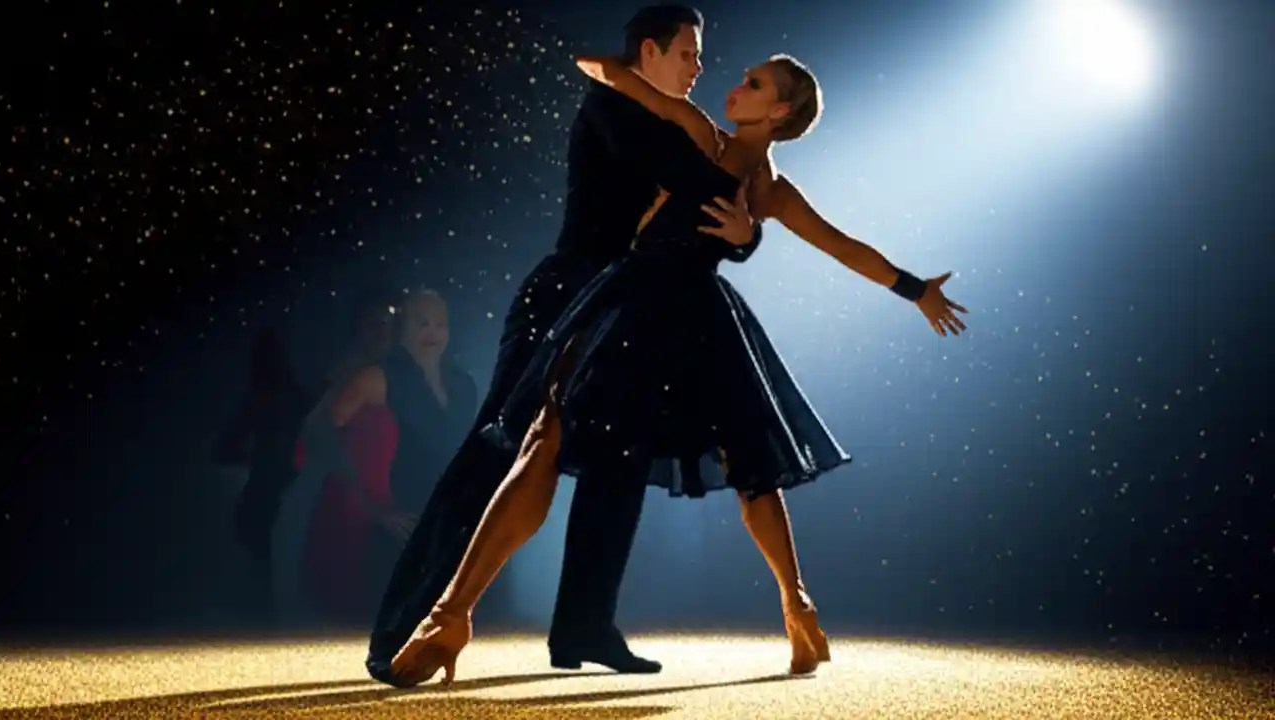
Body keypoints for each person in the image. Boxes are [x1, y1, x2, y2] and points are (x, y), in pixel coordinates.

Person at [388, 47, 969, 686]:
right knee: (544, 441)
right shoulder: (700, 133)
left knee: (750, 467)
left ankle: (797, 604)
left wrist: (916, 290)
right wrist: (598, 60)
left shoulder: (770, 191)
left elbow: (842, 246)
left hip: (692, 320)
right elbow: (627, 84)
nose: (735, 86)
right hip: (628, 300)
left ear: (779, 112)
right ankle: (449, 616)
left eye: (754, 84)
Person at [364, 5, 762, 685]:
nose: (699, 67)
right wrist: (727, 153)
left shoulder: (662, 115)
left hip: (630, 307)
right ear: (649, 51)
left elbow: (711, 221)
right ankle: (403, 628)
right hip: (564, 296)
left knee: (620, 460)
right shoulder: (613, 104)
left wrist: (746, 234)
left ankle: (586, 625)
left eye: (700, 56)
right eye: (688, 53)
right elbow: (697, 186)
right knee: (498, 451)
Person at [288, 289, 479, 623]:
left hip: (452, 521)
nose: (432, 332)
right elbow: (319, 431)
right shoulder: (378, 377)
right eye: (422, 323)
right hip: (400, 520)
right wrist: (369, 504)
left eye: (440, 324)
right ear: (402, 327)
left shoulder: (463, 384)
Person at [214, 328, 312, 624]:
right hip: (281, 484)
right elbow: (226, 448)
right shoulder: (289, 397)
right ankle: (268, 613)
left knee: (269, 556)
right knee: (270, 555)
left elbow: (226, 448)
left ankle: (267, 612)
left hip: (276, 484)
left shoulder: (264, 398)